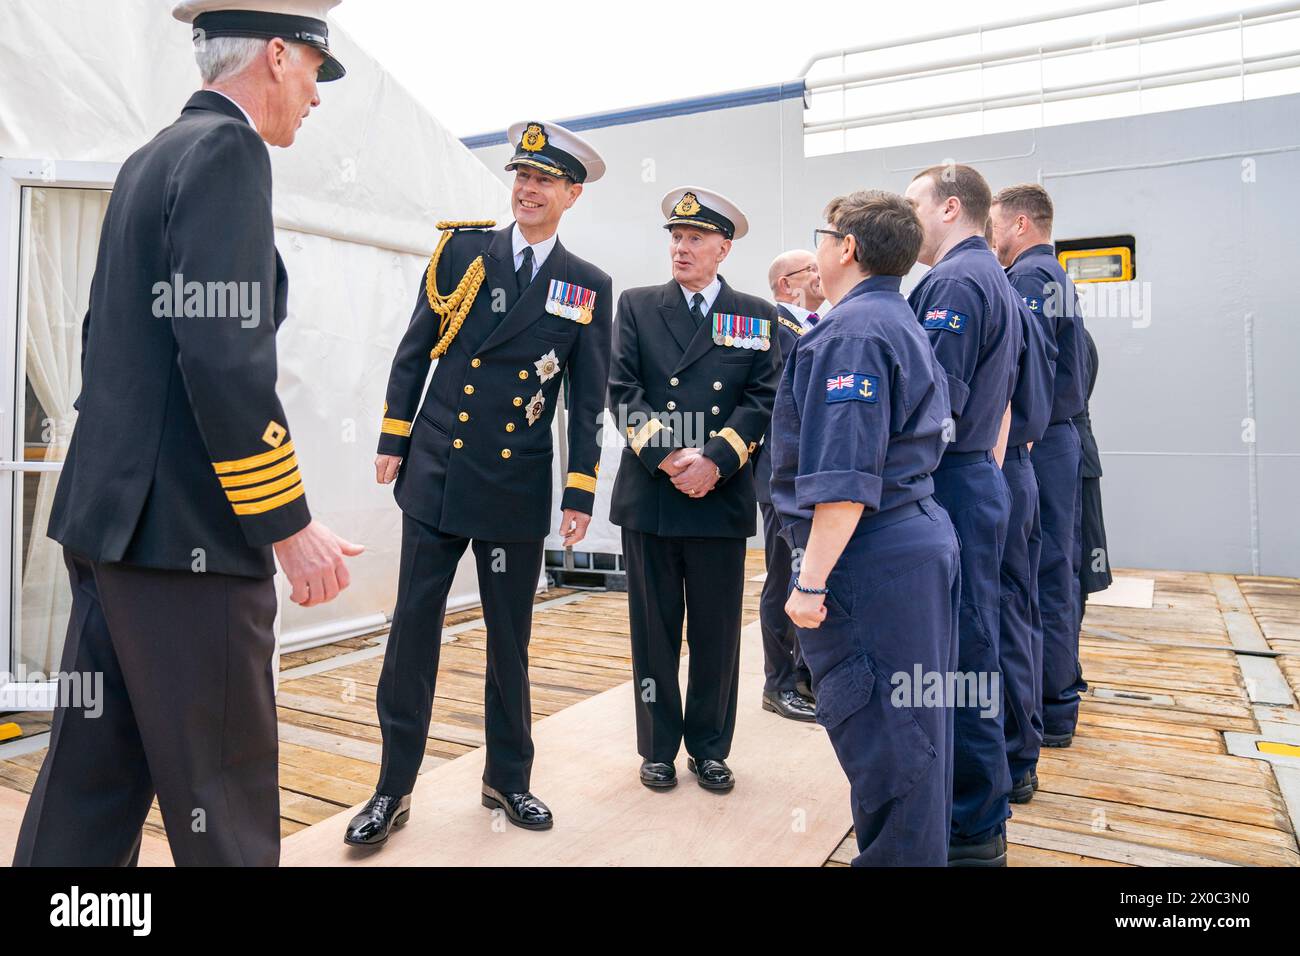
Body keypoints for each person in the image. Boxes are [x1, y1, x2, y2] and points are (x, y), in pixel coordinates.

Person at [14, 0, 356, 867]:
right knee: (223, 793)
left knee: (91, 784)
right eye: (316, 71)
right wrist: (288, 523)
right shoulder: (228, 150)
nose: (316, 97)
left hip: (109, 528)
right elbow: (225, 359)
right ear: (278, 56)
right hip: (185, 543)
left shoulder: (151, 153)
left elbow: (104, 338)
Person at [345, 121, 612, 844]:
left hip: (513, 486)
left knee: (509, 641)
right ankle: (391, 788)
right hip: (437, 468)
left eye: (544, 181)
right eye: (521, 177)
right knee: (413, 635)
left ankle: (509, 779)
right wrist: (393, 436)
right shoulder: (464, 250)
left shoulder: (587, 285)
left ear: (571, 194)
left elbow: (587, 402)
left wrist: (579, 491)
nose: (527, 190)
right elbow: (414, 349)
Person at [775, 189, 959, 866]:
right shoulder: (896, 317)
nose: (819, 249)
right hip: (911, 541)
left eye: (823, 236)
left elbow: (846, 481)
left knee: (888, 743)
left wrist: (809, 582)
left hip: (869, 558)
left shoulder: (850, 333)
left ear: (846, 246)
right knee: (915, 730)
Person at [608, 187, 779, 793]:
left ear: (722, 247)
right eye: (676, 239)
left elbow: (764, 397)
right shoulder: (636, 304)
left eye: (696, 239)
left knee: (715, 634)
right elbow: (622, 391)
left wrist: (716, 460)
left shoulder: (755, 314)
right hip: (654, 494)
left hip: (719, 493)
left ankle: (709, 747)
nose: (682, 248)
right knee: (653, 632)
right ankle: (656, 747)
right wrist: (670, 455)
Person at [904, 164, 1020, 866]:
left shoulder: (952, 283)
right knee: (974, 646)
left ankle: (969, 826)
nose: (907, 214)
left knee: (959, 656)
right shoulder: (993, 277)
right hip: (975, 478)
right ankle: (977, 815)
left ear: (949, 207)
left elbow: (932, 408)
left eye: (914, 202)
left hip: (948, 483)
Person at [989, 184, 1090, 749]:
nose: (992, 235)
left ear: (1022, 224)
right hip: (1058, 439)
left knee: (1040, 574)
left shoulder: (1027, 279)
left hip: (1039, 443)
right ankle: (1056, 703)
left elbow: (1023, 370)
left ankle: (1048, 709)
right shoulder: (1055, 276)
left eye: (998, 224)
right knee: (1054, 572)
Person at [985, 218, 1056, 804]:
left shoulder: (992, 295)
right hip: (1020, 469)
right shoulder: (1016, 297)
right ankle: (1022, 747)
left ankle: (1013, 754)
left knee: (1002, 610)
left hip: (998, 471)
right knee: (1020, 606)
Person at [752, 249, 824, 720]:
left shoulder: (819, 323)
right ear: (786, 285)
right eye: (811, 271)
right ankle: (778, 683)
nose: (821, 275)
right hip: (784, 474)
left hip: (811, 473)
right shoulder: (775, 328)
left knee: (812, 574)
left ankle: (805, 673)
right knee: (784, 577)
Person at [1073, 326, 1112, 625]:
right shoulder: (1080, 336)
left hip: (1074, 465)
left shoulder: (1075, 339)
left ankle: (1067, 667)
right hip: (1080, 459)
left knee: (1074, 575)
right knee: (1077, 574)